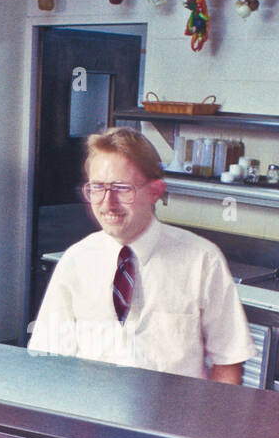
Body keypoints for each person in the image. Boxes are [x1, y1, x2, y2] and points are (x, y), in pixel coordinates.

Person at [28, 127, 256, 382]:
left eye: (122, 188)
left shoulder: (202, 260)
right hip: (91, 414)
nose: (107, 203)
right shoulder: (76, 261)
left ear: (155, 191)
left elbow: (228, 362)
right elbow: (49, 360)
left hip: (174, 418)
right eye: (97, 188)